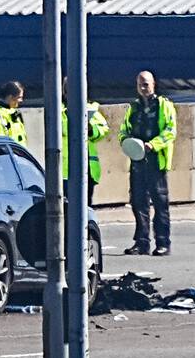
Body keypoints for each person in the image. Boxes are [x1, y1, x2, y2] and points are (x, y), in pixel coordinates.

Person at [119, 71, 177, 255]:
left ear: (154, 85)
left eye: (146, 84)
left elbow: (170, 131)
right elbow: (123, 131)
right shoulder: (133, 108)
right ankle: (142, 242)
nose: (143, 88)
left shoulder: (164, 106)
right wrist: (126, 143)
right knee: (139, 204)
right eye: (140, 85)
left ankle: (163, 243)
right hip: (137, 162)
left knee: (160, 205)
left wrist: (152, 145)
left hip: (155, 162)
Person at [60, 76, 110, 205]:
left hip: (87, 169)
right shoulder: (59, 111)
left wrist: (91, 130)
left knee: (86, 206)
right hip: (66, 172)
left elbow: (103, 129)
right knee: (67, 206)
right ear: (65, 92)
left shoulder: (90, 109)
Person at [0, 80, 27, 145]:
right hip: (6, 154)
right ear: (10, 97)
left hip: (18, 154)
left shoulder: (16, 114)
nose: (21, 100)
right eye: (19, 97)